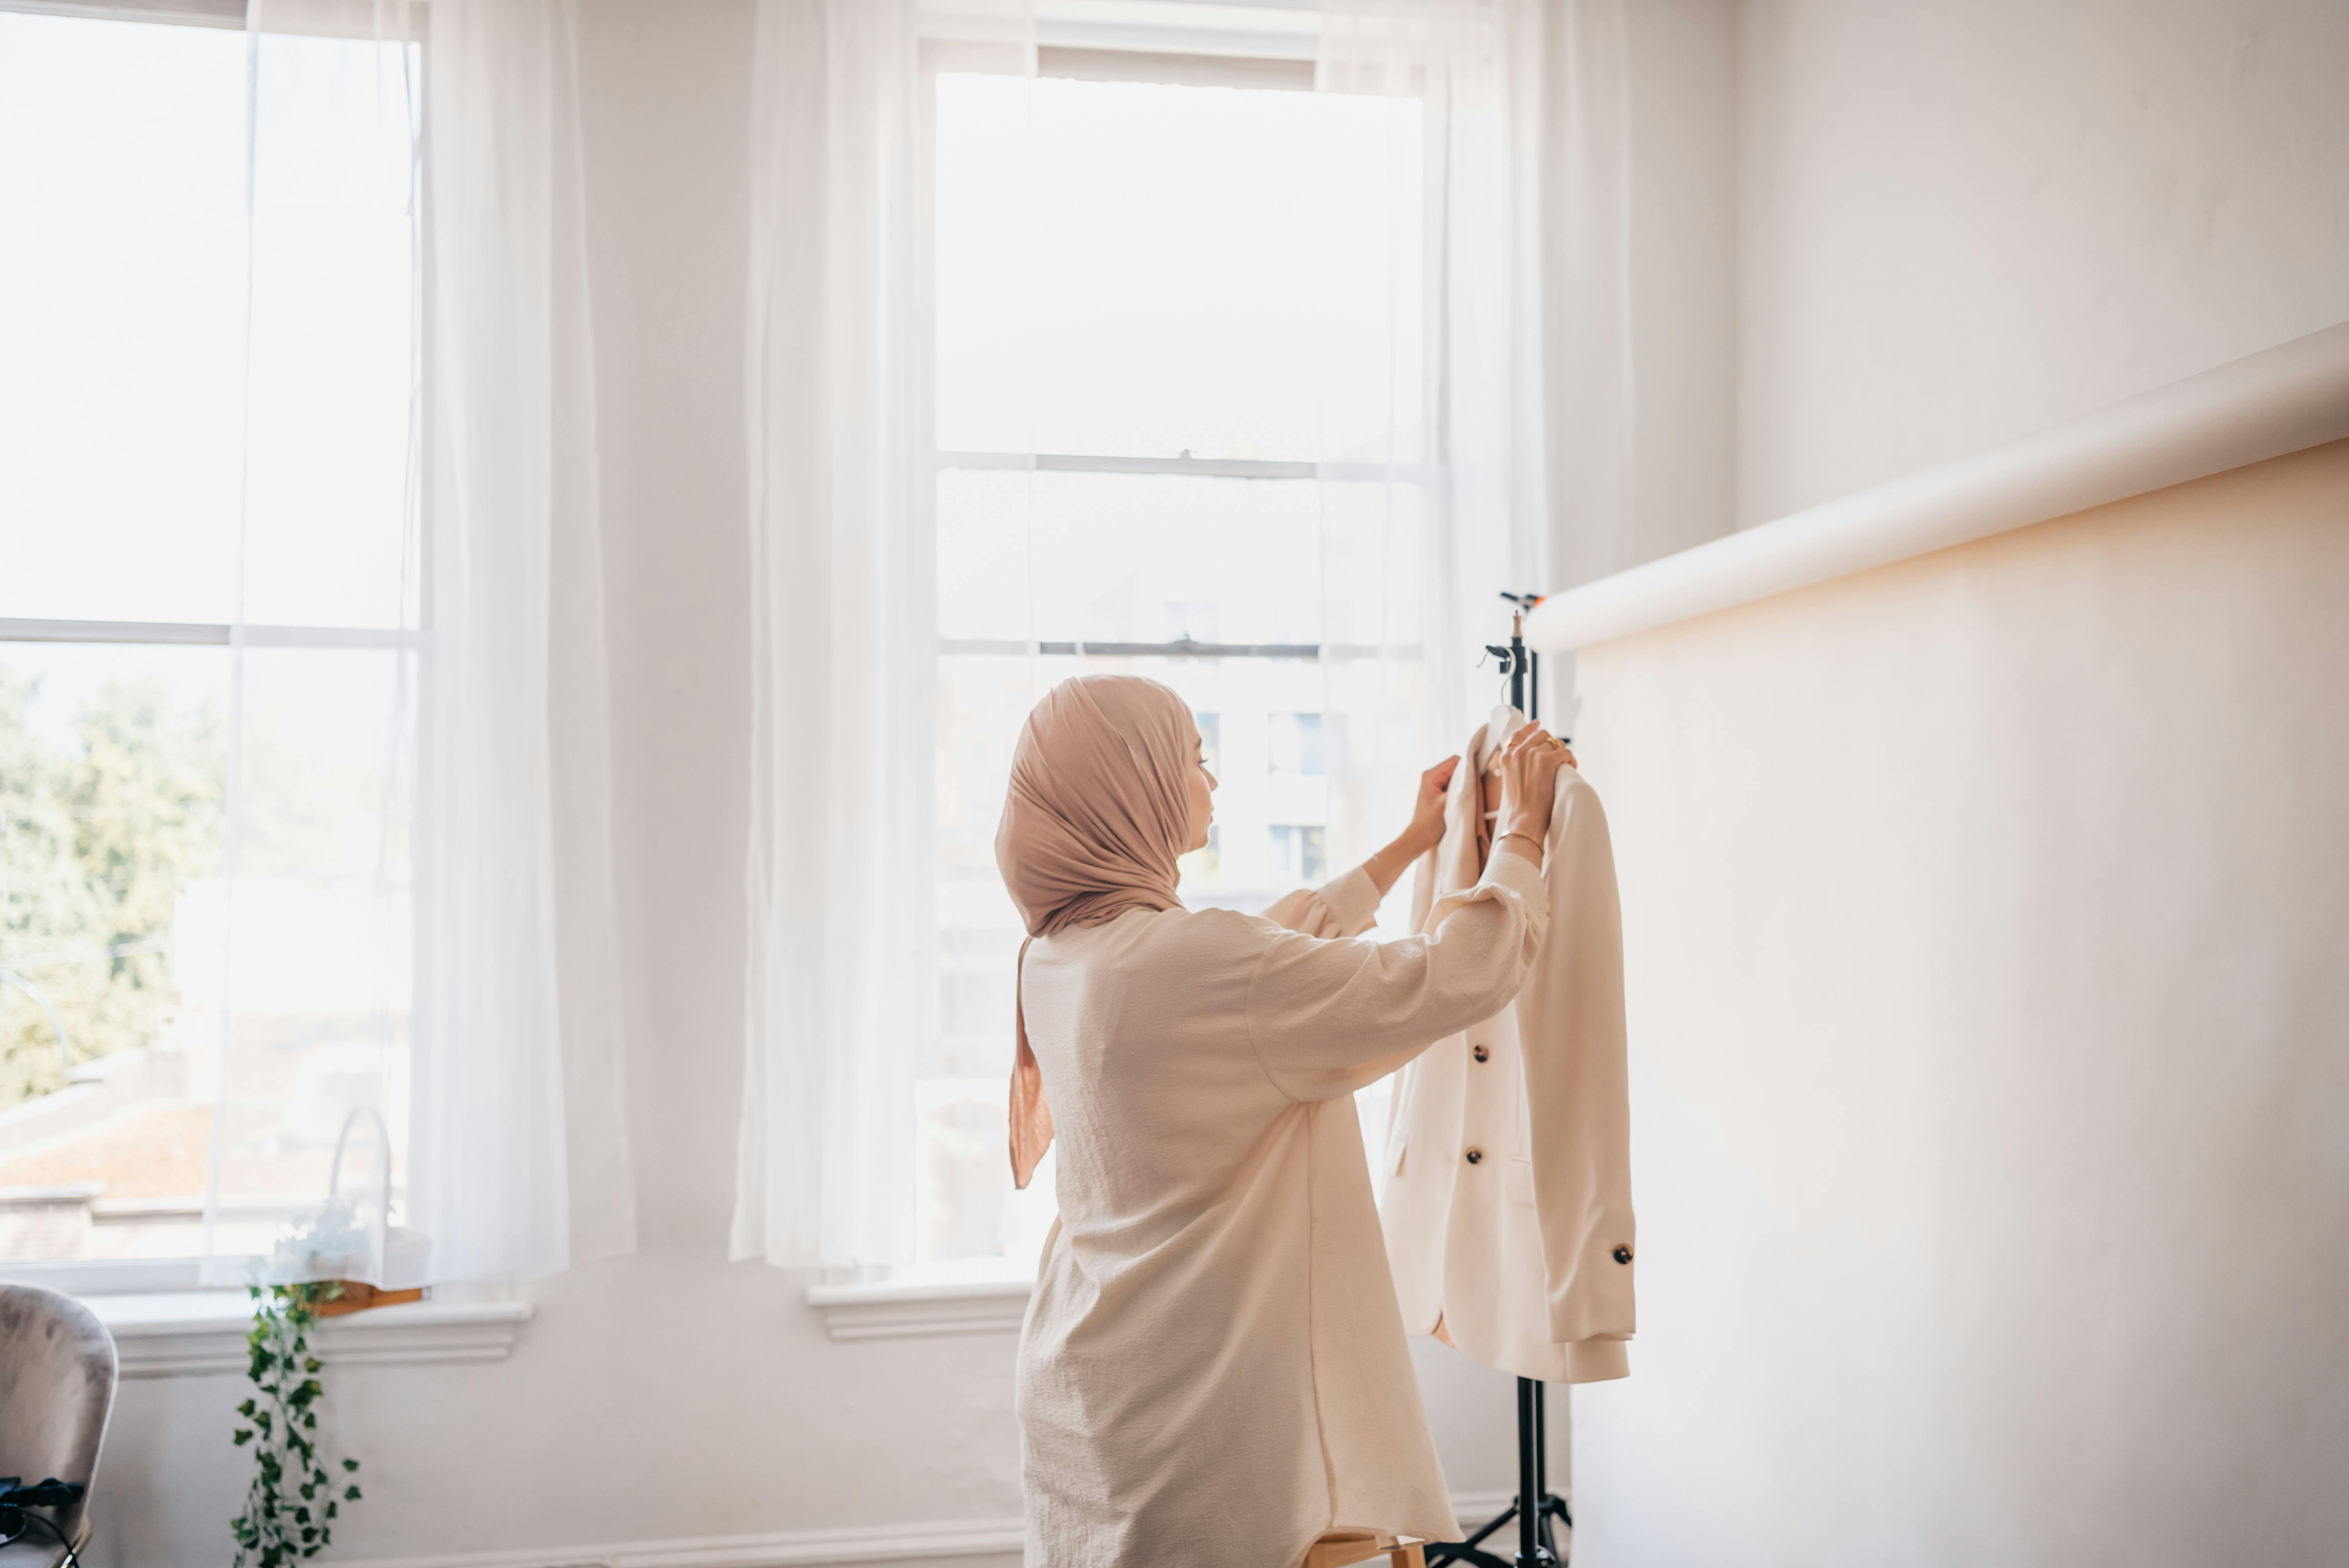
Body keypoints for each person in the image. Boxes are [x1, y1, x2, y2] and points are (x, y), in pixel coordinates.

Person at [995, 673, 1571, 1568]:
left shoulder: (1059, 952)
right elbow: (1460, 971)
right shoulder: (1190, 965)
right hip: (1198, 1412)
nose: (1211, 781)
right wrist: (1524, 834)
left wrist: (1411, 844)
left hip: (1090, 1392)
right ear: (1131, 786)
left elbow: (1263, 962)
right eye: (1193, 758)